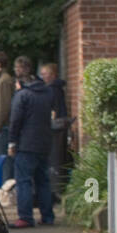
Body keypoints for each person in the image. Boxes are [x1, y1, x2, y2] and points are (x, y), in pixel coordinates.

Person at [6, 56, 54, 228]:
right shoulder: (47, 92)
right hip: (44, 142)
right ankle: (47, 216)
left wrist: (12, 142)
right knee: (43, 181)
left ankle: (25, 217)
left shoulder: (22, 95)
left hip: (26, 144)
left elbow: (15, 121)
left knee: (24, 181)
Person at [42, 62, 70, 199]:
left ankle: (55, 190)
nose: (43, 77)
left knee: (54, 160)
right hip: (60, 126)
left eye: (45, 74)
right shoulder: (58, 88)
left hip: (55, 127)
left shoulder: (52, 89)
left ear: (53, 74)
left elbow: (54, 109)